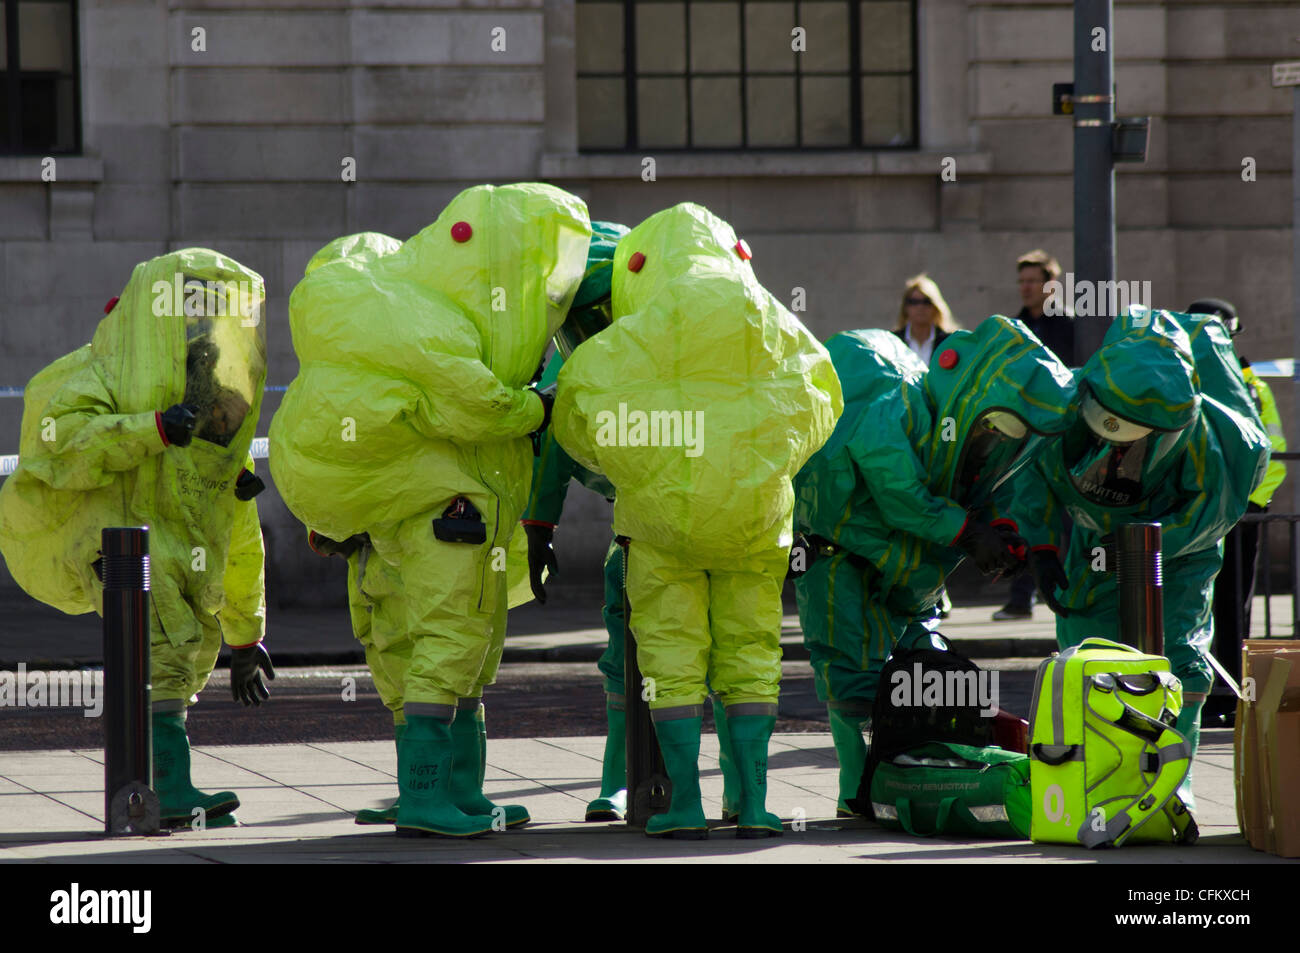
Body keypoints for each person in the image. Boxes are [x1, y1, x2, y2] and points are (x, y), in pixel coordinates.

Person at [269, 184, 593, 838]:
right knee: (455, 635)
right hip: (451, 508)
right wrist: (539, 408)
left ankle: (450, 790)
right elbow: (475, 404)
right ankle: (430, 794)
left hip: (403, 508)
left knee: (424, 639)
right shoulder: (438, 327)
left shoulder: (394, 316)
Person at [553, 202, 843, 839]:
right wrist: (770, 459)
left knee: (671, 659)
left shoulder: (639, 326)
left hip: (662, 524)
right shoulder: (767, 314)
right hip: (754, 521)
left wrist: (631, 467)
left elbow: (575, 410)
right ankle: (758, 806)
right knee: (750, 655)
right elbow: (823, 395)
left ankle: (684, 804)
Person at [0, 249, 273, 828]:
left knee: (178, 656)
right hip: (120, 550)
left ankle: (157, 792)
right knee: (161, 653)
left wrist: (246, 635)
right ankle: (165, 789)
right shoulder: (92, 376)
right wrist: (148, 431)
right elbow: (63, 449)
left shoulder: (216, 418)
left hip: (178, 563)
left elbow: (238, 536)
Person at [793, 316, 1075, 816]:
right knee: (850, 674)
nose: (999, 439)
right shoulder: (893, 406)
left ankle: (902, 774)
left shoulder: (961, 428)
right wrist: (971, 534)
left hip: (908, 574)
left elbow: (986, 485)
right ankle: (855, 790)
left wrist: (1002, 531)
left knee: (928, 664)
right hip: (840, 561)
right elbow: (899, 493)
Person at [1010, 306, 1269, 811]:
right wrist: (1040, 549)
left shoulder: (1207, 442)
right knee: (1089, 651)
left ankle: (1172, 789)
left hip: (1178, 553)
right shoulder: (1067, 412)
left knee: (1181, 658)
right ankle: (1101, 778)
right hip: (1097, 540)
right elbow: (1033, 475)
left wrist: (1144, 545)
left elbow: (1205, 519)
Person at [1189, 299, 1288, 726]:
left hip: (1235, 516)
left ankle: (1227, 696)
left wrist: (1247, 505)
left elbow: (1274, 453)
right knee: (1191, 608)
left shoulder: (1251, 384)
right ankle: (1195, 692)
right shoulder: (1179, 377)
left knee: (1231, 608)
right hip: (1192, 516)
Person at [994, 250, 1077, 621]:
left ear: (1051, 285)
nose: (1025, 288)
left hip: (1064, 434)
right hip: (1027, 437)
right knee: (1028, 513)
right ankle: (1021, 596)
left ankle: (1072, 588)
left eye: (1033, 281)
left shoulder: (1070, 325)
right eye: (1022, 281)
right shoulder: (1016, 329)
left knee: (1070, 517)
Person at [891, 274, 957, 366]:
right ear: (905, 307)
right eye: (914, 302)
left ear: (936, 307)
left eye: (926, 302)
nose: (920, 307)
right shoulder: (893, 342)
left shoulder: (949, 342)